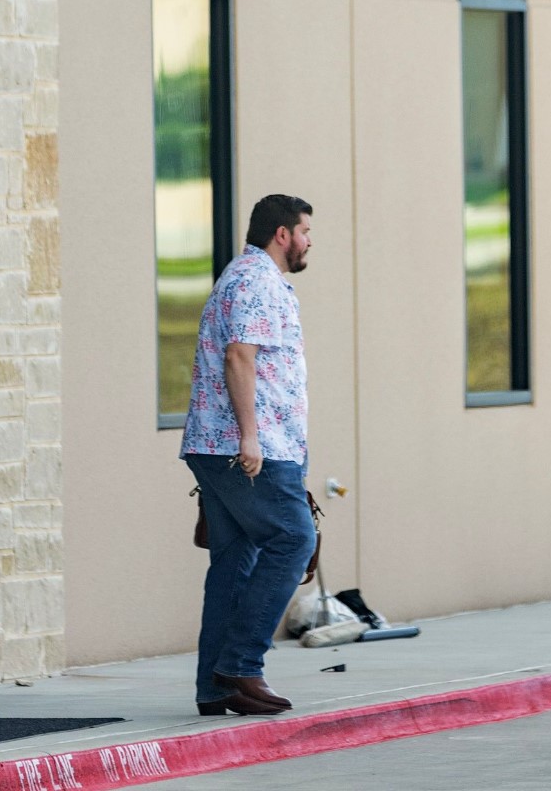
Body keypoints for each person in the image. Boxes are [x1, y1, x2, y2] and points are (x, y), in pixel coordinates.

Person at [182, 194, 318, 717]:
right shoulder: (258, 282)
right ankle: (240, 665)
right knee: (293, 538)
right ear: (282, 234)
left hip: (223, 444)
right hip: (249, 447)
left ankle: (215, 688)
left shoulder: (241, 277)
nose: (308, 242)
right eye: (304, 231)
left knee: (235, 561)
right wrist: (251, 437)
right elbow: (240, 356)